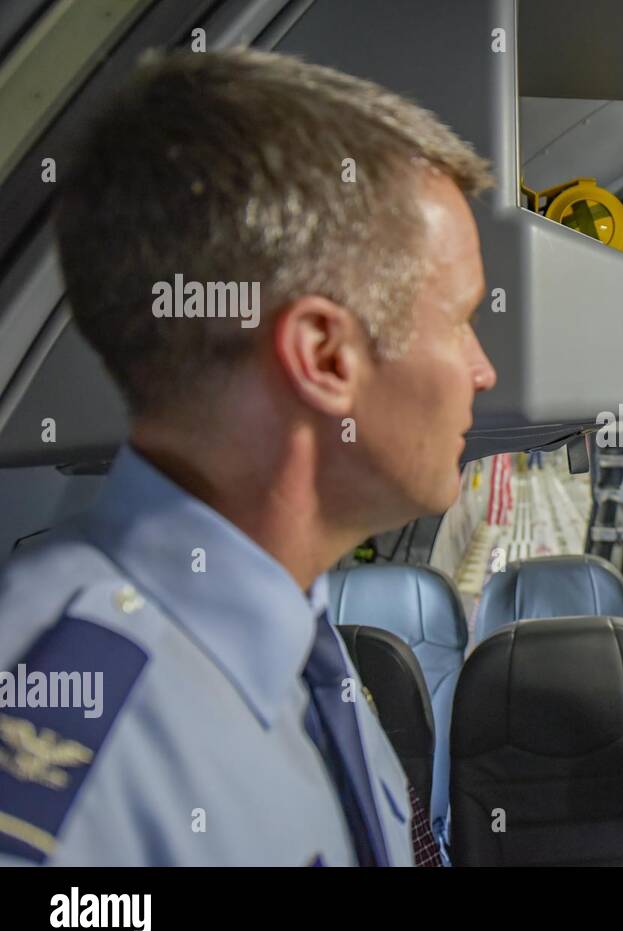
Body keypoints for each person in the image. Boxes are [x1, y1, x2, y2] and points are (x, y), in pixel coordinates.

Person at [0, 48, 496, 865]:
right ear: (326, 358)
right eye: (460, 319)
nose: (484, 370)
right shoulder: (64, 753)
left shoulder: (316, 665)